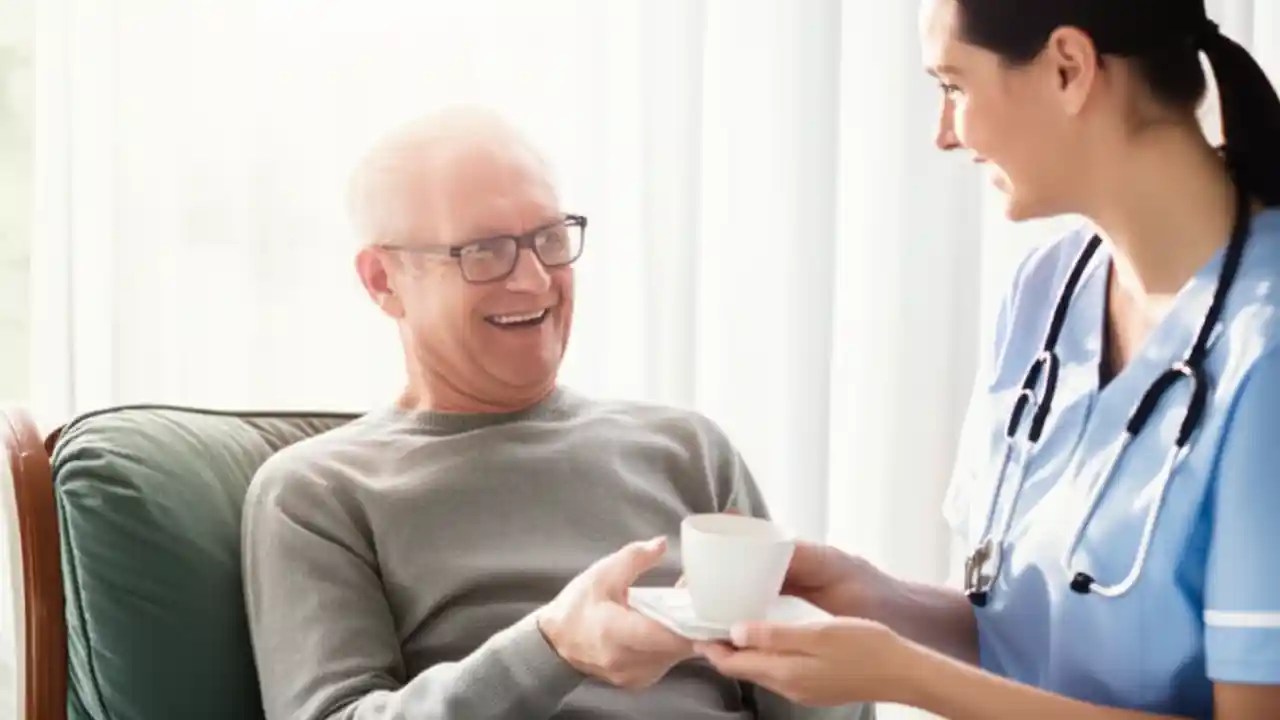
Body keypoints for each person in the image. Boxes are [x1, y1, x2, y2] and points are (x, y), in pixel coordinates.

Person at [696, 0, 1280, 717]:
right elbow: (1025, 641)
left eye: (953, 86)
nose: (944, 134)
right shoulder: (1045, 294)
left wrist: (903, 676)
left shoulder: (1266, 350)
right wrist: (875, 598)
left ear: (1069, 69)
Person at [241, 107, 872, 720]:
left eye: (548, 238)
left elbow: (818, 703)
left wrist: (831, 640)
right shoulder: (318, 491)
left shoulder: (687, 450)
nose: (537, 280)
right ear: (383, 279)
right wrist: (552, 648)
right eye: (485, 251)